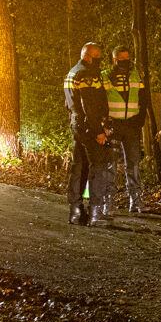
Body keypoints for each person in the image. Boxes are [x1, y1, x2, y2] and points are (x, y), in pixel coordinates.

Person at [63, 42, 110, 225]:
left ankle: (75, 211)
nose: (99, 60)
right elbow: (89, 106)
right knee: (98, 166)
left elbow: (72, 103)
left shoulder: (72, 72)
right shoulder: (86, 74)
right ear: (87, 56)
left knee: (79, 167)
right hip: (89, 125)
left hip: (77, 124)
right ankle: (95, 214)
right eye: (97, 56)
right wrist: (99, 131)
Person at [104, 47, 147, 214]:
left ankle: (136, 201)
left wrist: (140, 119)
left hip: (131, 125)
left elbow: (143, 98)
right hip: (113, 125)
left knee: (134, 164)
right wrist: (104, 123)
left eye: (127, 59)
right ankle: (108, 202)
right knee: (111, 165)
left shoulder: (136, 75)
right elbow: (101, 99)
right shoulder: (105, 75)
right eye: (121, 59)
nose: (125, 62)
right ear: (114, 59)